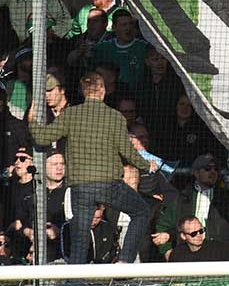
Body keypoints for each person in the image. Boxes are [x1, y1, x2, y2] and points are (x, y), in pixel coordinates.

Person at [29, 71, 150, 263]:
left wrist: (32, 121)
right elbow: (127, 151)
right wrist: (146, 165)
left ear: (84, 92)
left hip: (81, 187)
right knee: (141, 212)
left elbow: (42, 137)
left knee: (80, 238)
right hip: (109, 185)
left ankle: (75, 284)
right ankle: (125, 261)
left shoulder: (71, 114)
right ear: (102, 90)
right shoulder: (115, 116)